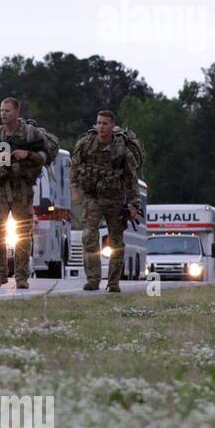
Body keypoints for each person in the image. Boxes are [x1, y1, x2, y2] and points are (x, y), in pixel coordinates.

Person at [0, 97, 57, 289]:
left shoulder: (30, 134)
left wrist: (27, 154)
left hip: (22, 190)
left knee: (22, 233)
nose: (3, 114)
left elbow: (45, 156)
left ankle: (21, 275)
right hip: (0, 189)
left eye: (8, 111)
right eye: (2, 110)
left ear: (17, 112)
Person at [71, 110, 141, 292]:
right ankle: (93, 279)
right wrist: (74, 189)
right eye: (98, 123)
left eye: (104, 123)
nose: (101, 126)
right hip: (93, 198)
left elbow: (131, 179)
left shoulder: (121, 150)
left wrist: (134, 205)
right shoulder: (86, 144)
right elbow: (75, 166)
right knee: (88, 236)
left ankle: (113, 282)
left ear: (112, 126)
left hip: (115, 200)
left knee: (116, 242)